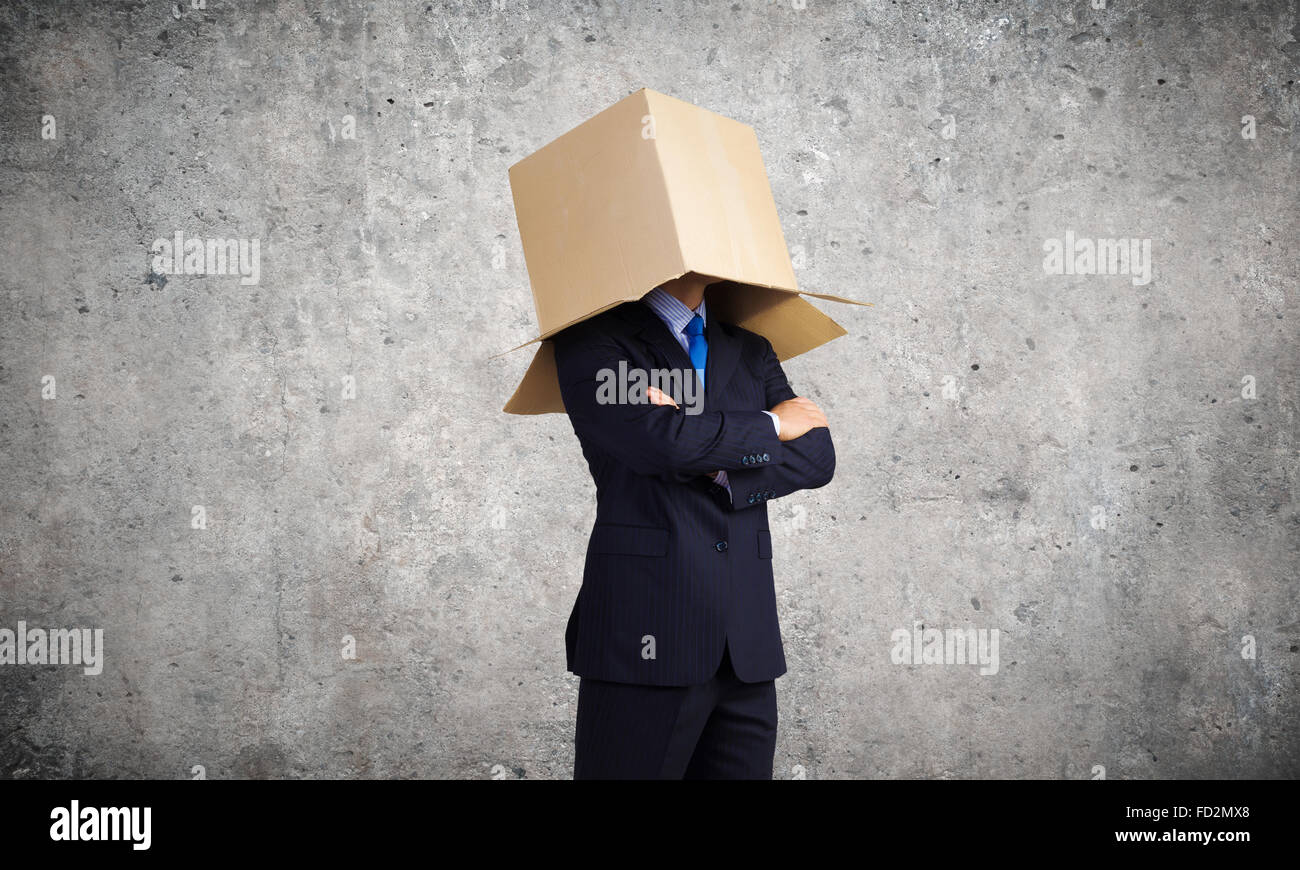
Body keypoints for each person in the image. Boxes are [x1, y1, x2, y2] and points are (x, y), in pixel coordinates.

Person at [552, 271, 835, 779]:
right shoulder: (593, 343)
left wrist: (705, 450)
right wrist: (773, 424)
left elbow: (817, 457)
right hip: (644, 632)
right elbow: (661, 444)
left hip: (747, 643)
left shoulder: (751, 348)